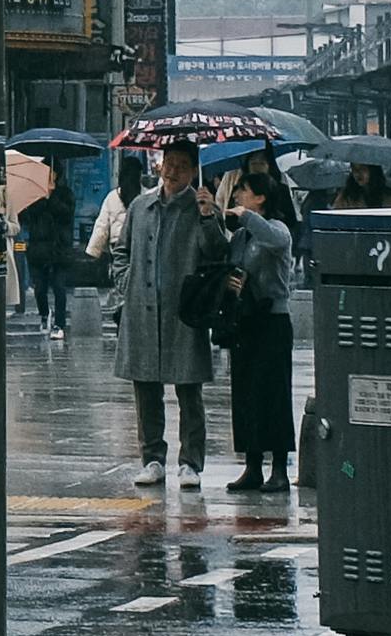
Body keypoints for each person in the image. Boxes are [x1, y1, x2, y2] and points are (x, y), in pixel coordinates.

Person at [109, 140, 219, 489]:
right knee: (146, 388)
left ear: (192, 170)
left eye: (182, 165)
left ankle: (191, 462)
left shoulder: (200, 207)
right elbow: (121, 250)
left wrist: (208, 216)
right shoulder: (141, 206)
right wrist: (126, 281)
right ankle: (152, 457)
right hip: (142, 308)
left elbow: (218, 252)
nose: (173, 171)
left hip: (183, 310)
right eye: (169, 163)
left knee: (189, 389)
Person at [217, 164, 298, 498]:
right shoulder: (241, 235)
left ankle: (278, 468)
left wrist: (246, 217)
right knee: (246, 394)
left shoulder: (276, 229)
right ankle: (252, 465)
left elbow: (274, 238)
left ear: (261, 197)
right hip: (245, 320)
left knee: (274, 394)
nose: (237, 196)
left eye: (244, 191)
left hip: (273, 320)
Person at [16, 168, 74, 331]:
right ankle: (44, 313)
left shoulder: (65, 194)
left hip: (59, 250)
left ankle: (59, 324)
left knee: (59, 287)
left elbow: (67, 214)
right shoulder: (35, 196)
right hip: (39, 249)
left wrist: (52, 197)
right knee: (40, 288)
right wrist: (40, 199)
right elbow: (26, 216)